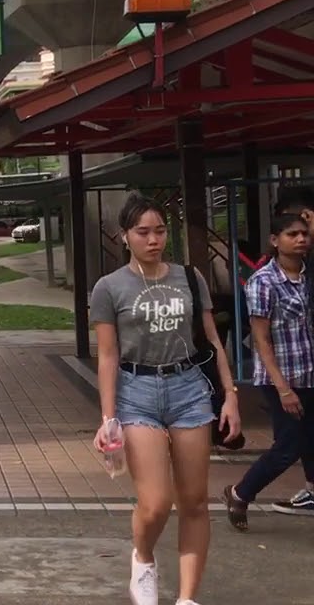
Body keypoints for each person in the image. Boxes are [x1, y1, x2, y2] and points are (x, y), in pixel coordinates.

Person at [90, 193, 241, 605]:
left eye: (159, 231)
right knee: (156, 503)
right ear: (125, 236)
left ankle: (188, 598)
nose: (153, 240)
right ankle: (142, 558)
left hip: (189, 389)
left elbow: (212, 340)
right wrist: (108, 417)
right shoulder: (110, 288)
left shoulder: (189, 277)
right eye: (143, 232)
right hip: (136, 391)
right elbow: (107, 355)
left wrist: (230, 397)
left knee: (194, 500)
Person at [222, 213, 314, 527]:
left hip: (310, 373)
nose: (301, 239)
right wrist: (283, 388)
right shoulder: (263, 281)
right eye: (292, 234)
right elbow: (260, 340)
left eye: (304, 233)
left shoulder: (308, 276)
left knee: (310, 439)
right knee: (288, 447)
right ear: (275, 241)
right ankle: (240, 493)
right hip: (282, 378)